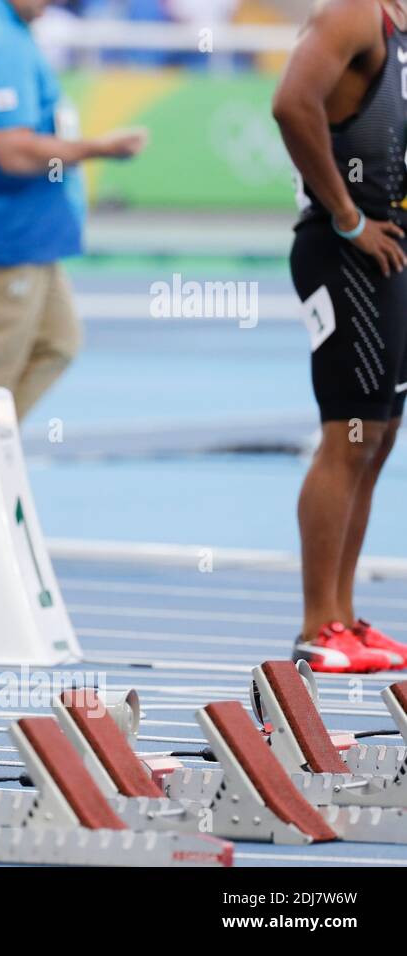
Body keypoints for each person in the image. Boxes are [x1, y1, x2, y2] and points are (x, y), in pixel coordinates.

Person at [0, 0, 146, 420]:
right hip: (2, 234)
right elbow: (14, 151)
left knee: (54, 343)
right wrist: (101, 149)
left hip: (6, 228)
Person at [273, 0, 407, 673]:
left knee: (377, 440)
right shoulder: (357, 16)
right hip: (347, 250)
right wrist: (350, 216)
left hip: (390, 255)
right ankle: (315, 625)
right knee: (348, 436)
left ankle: (344, 619)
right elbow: (291, 105)